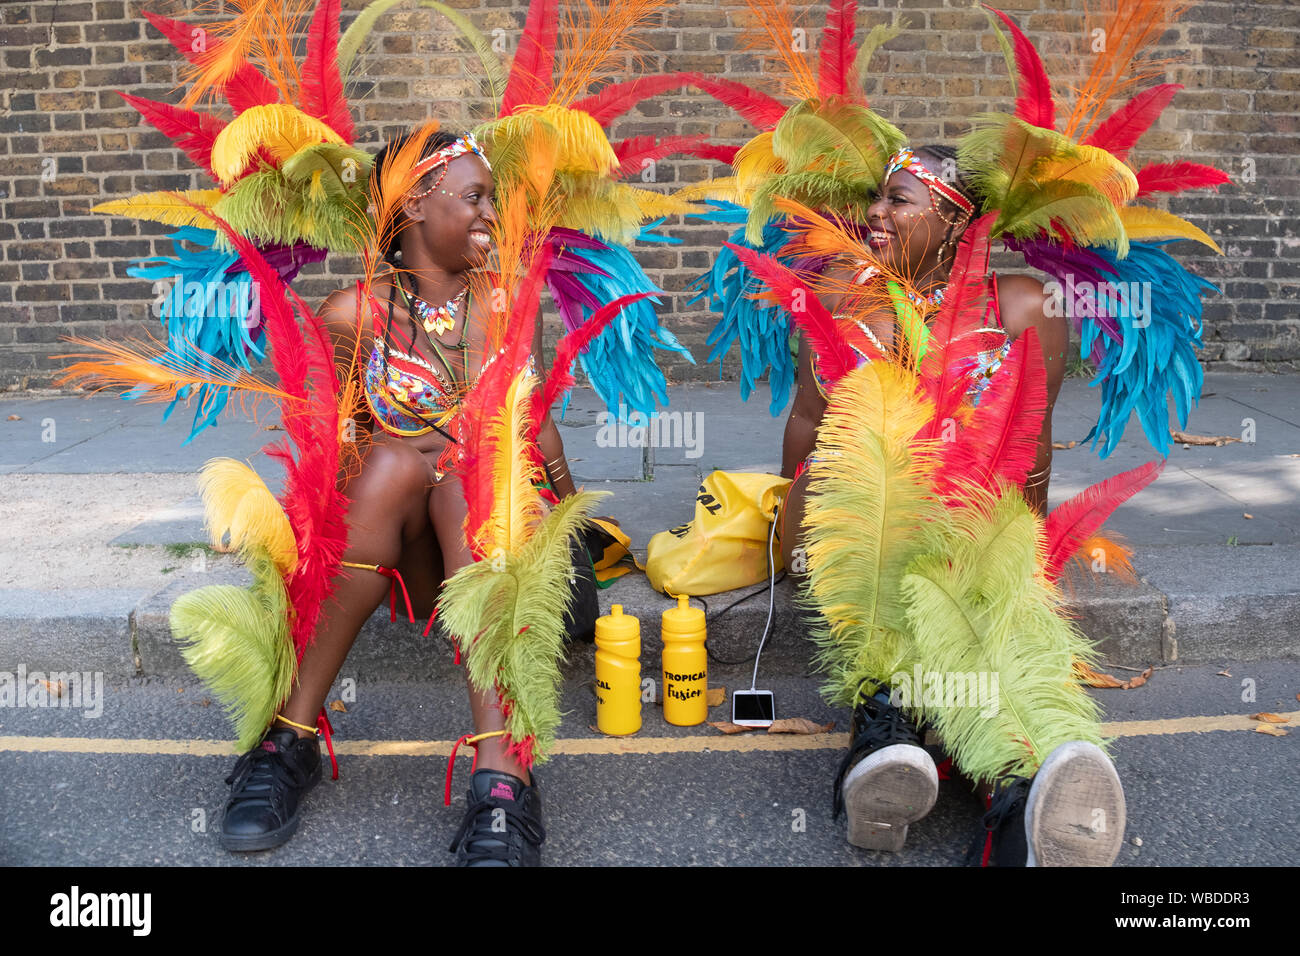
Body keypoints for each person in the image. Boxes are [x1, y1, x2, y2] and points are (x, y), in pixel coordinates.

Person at [217, 129, 571, 866]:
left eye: (494, 201)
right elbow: (324, 465)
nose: (492, 217)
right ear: (415, 204)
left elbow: (536, 433)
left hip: (494, 549)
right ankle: (289, 740)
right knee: (387, 466)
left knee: (478, 477)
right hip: (393, 551)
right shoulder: (353, 315)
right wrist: (417, 453)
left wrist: (580, 534)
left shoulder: (507, 304)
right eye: (475, 198)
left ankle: (504, 781)